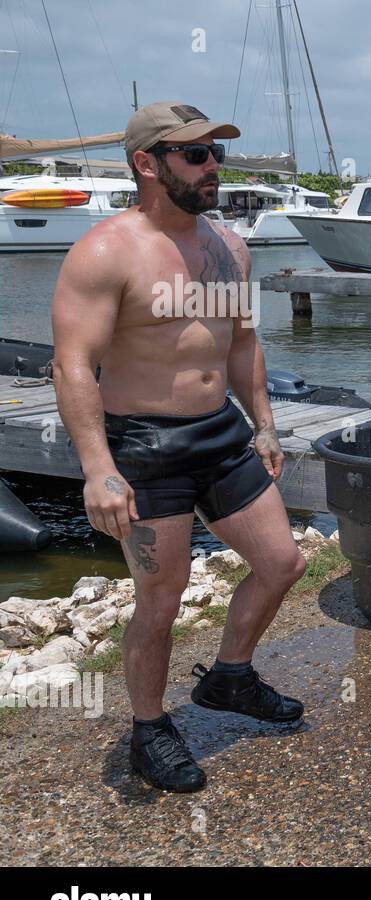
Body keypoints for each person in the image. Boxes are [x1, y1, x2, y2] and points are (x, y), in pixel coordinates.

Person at [51, 102, 307, 794]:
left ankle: (230, 677)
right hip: (143, 445)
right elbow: (72, 365)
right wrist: (98, 470)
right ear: (147, 163)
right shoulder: (105, 252)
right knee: (162, 600)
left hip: (220, 433)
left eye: (215, 154)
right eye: (195, 155)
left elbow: (243, 342)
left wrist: (264, 423)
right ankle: (149, 730)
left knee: (282, 562)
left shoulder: (229, 246)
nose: (213, 167)